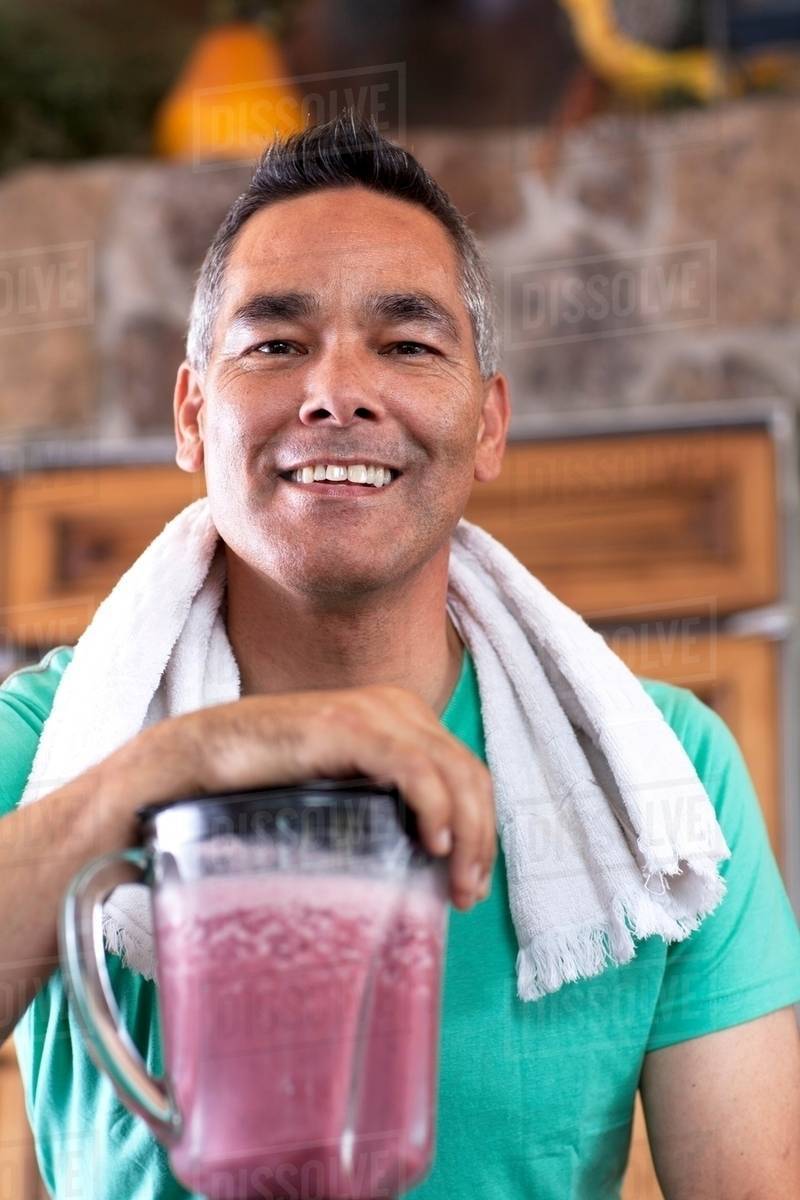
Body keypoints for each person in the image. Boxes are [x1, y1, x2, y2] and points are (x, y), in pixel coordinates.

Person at [1, 112, 799, 1200]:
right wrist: (176, 764)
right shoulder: (45, 750)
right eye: (274, 344)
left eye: (408, 345)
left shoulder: (667, 783)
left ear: (486, 427)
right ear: (192, 416)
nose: (336, 393)